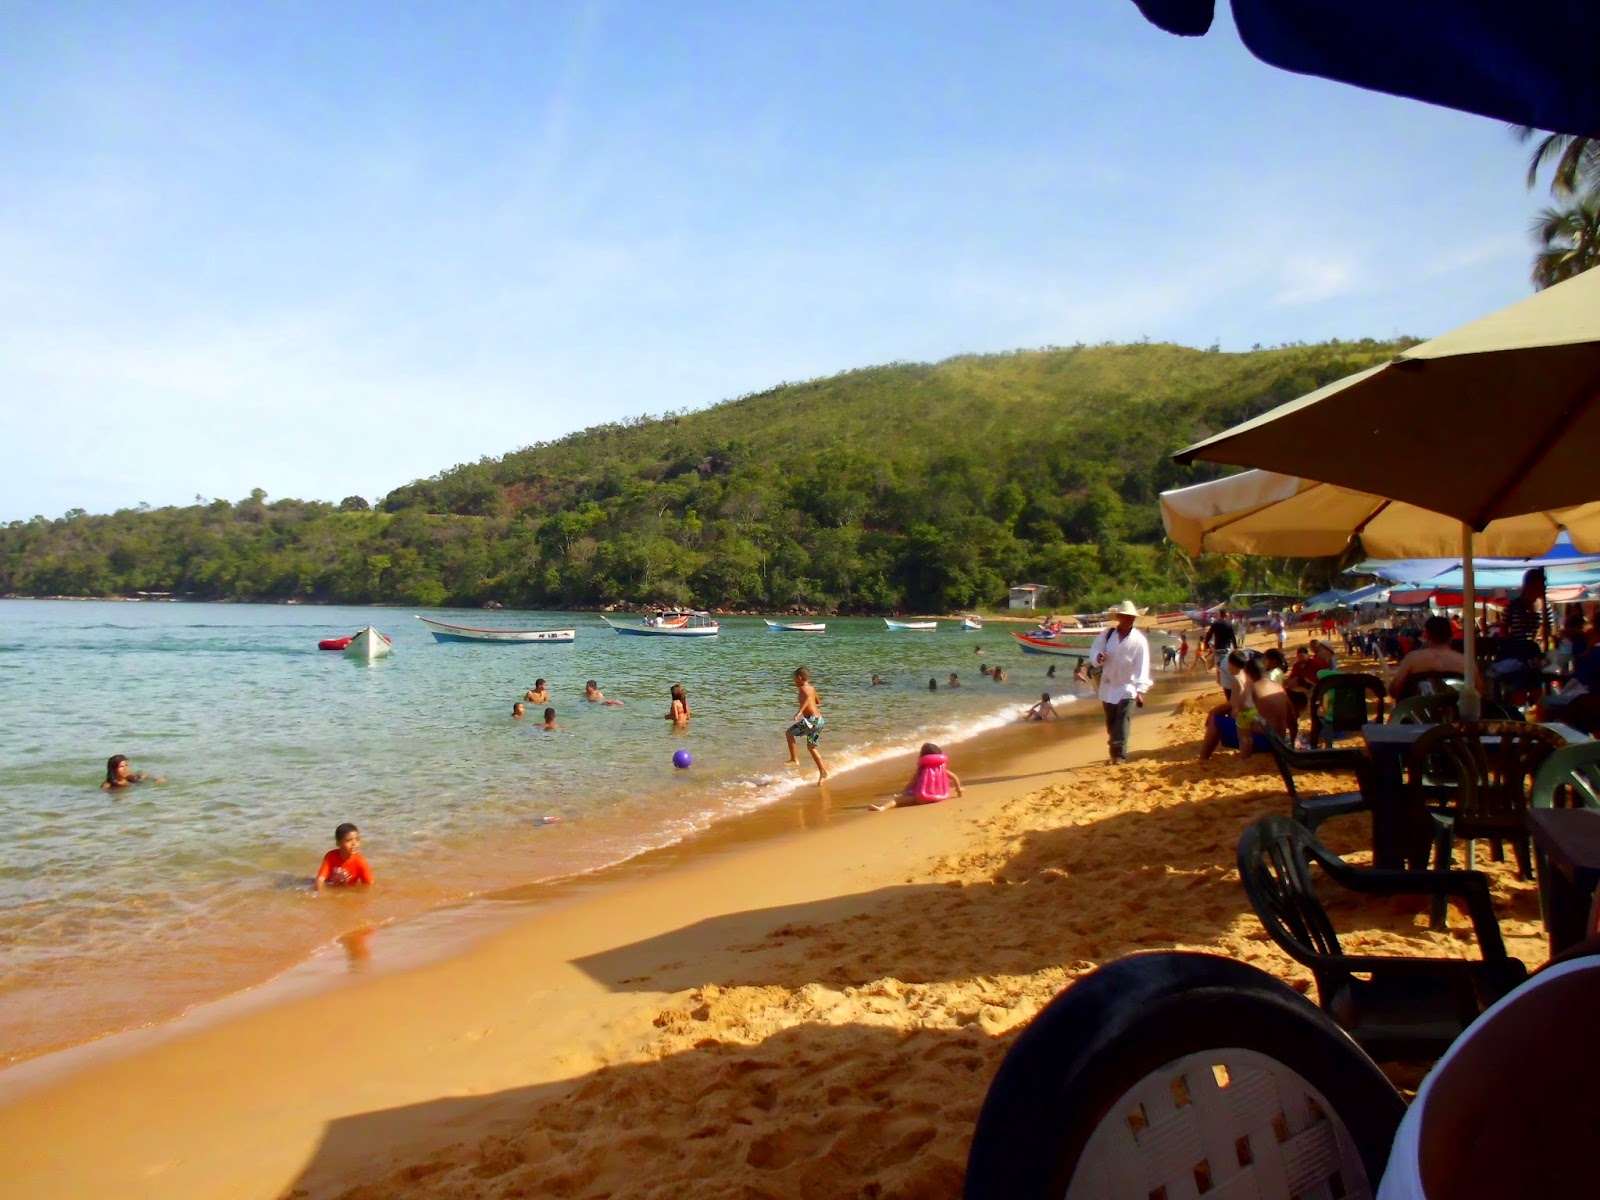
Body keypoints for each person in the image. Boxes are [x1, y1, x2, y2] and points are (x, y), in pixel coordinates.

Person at [1074, 599, 1151, 764]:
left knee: (1123, 720)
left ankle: (1119, 756)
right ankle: (1114, 751)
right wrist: (1098, 657)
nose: (1127, 619)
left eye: (1130, 617)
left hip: (1128, 686)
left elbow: (1141, 666)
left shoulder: (1139, 641)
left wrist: (1141, 690)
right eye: (1124, 616)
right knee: (1111, 723)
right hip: (1108, 685)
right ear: (1119, 617)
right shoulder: (1107, 634)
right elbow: (1094, 651)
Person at [1388, 615, 1468, 699]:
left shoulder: (1413, 659)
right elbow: (1480, 693)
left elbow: (1394, 690)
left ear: (1426, 635)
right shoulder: (1464, 662)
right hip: (1455, 710)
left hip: (1418, 710)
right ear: (1450, 636)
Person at [871, 743, 963, 810]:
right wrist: (959, 791)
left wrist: (904, 793)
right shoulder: (942, 769)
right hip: (938, 797)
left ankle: (882, 808)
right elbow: (955, 778)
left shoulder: (921, 770)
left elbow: (912, 783)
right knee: (906, 797)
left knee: (897, 799)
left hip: (921, 799)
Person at [784, 666, 828, 781]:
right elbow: (817, 701)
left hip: (812, 721)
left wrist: (799, 713)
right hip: (820, 721)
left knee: (789, 733)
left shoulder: (803, 688)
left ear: (799, 678)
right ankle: (822, 771)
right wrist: (813, 697)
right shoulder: (811, 688)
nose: (794, 682)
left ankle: (794, 759)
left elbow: (808, 699)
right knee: (811, 747)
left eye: (794, 679)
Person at [315, 823, 374, 892]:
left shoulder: (360, 861)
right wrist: (320, 894)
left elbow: (369, 885)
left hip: (348, 889)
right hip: (330, 886)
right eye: (349, 841)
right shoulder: (331, 856)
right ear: (338, 843)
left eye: (357, 839)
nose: (354, 844)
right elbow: (320, 879)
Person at [1202, 612, 1237, 692]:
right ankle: (1228, 681)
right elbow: (1232, 637)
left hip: (1218, 648)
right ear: (1226, 615)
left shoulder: (1215, 624)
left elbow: (1208, 635)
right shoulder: (1228, 624)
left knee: (1218, 665)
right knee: (1227, 665)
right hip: (1227, 648)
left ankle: (1219, 680)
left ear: (1219, 615)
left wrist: (1205, 645)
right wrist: (1235, 647)